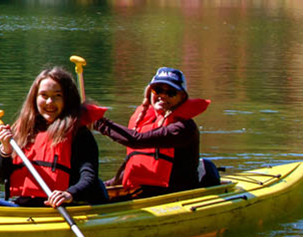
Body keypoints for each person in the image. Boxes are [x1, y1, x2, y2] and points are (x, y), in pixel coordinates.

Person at [0, 66, 108, 208]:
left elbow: (89, 177)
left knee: (98, 186)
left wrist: (69, 194)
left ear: (67, 99)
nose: (49, 102)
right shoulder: (23, 130)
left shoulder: (79, 134)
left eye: (57, 96)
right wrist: (5, 150)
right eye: (44, 95)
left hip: (62, 206)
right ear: (35, 98)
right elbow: (1, 177)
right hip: (26, 206)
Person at [90, 66, 212, 199]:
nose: (162, 96)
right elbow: (132, 162)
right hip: (144, 193)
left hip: (174, 195)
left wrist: (97, 121)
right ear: (150, 92)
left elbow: (136, 141)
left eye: (171, 92)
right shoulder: (146, 123)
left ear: (182, 97)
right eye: (158, 90)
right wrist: (104, 186)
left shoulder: (183, 128)